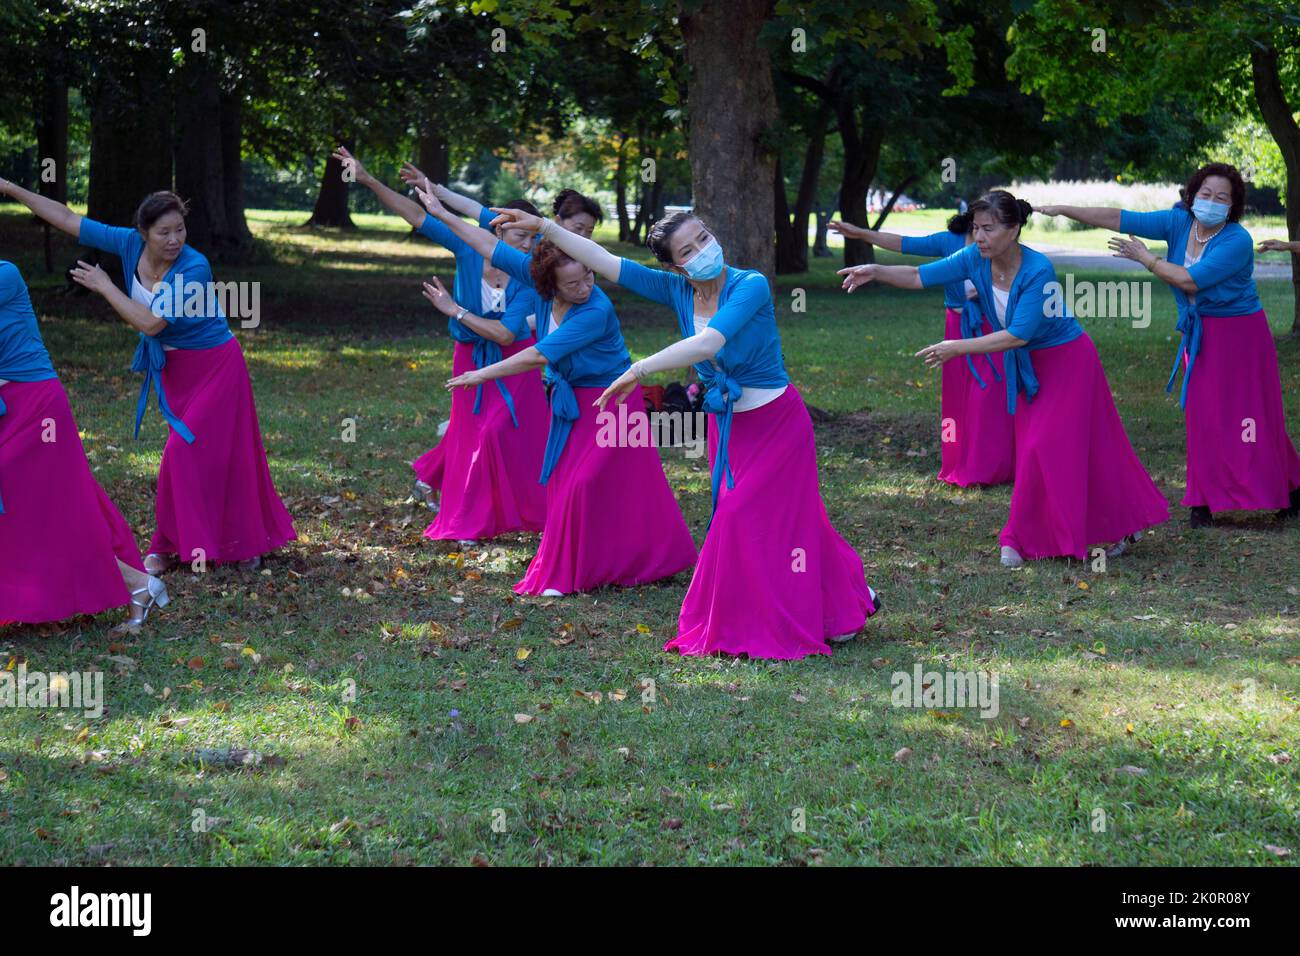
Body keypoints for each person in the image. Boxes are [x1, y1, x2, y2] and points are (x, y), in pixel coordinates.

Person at [487, 204, 879, 659]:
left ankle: (821, 608)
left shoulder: (748, 284)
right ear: (676, 265)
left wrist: (641, 368)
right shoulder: (677, 289)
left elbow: (711, 342)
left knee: (748, 517)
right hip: (727, 427)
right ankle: (850, 601)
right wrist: (545, 227)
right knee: (788, 517)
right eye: (688, 250)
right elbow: (607, 262)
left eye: (704, 238)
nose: (703, 251)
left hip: (778, 424)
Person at [841, 190, 1170, 566]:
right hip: (1029, 362)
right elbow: (919, 275)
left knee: (1043, 446)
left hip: (1067, 362)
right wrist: (876, 271)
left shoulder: (1037, 269)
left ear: (1013, 230)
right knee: (1046, 447)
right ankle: (1069, 530)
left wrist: (958, 347)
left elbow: (1018, 334)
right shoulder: (975, 258)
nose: (979, 237)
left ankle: (1030, 536)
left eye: (988, 229)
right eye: (976, 228)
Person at [0, 178, 295, 573]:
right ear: (144, 233)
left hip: (217, 368)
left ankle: (233, 542)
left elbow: (152, 323)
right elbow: (68, 218)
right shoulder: (128, 244)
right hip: (176, 372)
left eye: (180, 229)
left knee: (186, 452)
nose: (175, 239)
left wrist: (105, 286)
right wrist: (11, 189)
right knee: (197, 454)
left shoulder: (194, 266)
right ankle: (176, 546)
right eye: (164, 232)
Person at [417, 185, 696, 596]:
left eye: (588, 275)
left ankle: (619, 564)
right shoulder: (538, 279)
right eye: (573, 283)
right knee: (568, 486)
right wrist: (441, 212)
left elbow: (536, 357)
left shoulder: (596, 310)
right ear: (548, 285)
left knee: (594, 484)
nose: (584, 285)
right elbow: (487, 245)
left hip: (615, 400)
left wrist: (481, 375)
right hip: (573, 403)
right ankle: (626, 561)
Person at [1039, 163, 1300, 526]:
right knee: (1202, 413)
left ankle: (1287, 488)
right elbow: (1118, 216)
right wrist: (1064, 209)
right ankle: (1204, 500)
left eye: (1221, 197)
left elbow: (1190, 281)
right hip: (1200, 333)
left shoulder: (1236, 240)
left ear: (1233, 205)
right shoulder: (1178, 223)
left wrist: (1146, 257)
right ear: (1192, 196)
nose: (1211, 201)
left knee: (1251, 416)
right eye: (1205, 194)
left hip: (1241, 336)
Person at [336, 148, 549, 543]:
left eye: (534, 237)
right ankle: (471, 520)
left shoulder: (530, 273)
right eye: (521, 236)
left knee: (500, 433)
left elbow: (505, 334)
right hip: (469, 357)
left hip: (515, 361)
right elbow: (417, 215)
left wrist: (456, 311)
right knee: (471, 438)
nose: (528, 245)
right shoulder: (469, 248)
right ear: (497, 231)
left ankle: (531, 513)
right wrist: (367, 179)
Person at [0, 258, 170, 632]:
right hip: (9, 412)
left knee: (40, 509)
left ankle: (137, 583)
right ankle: (138, 585)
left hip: (36, 409)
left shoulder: (6, 274)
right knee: (48, 510)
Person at [830, 213, 1013, 486]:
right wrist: (861, 232)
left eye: (991, 225)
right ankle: (958, 460)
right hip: (957, 325)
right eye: (980, 225)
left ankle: (994, 464)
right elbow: (904, 243)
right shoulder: (949, 241)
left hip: (990, 327)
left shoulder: (1000, 246)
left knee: (988, 396)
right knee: (956, 398)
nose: (983, 232)